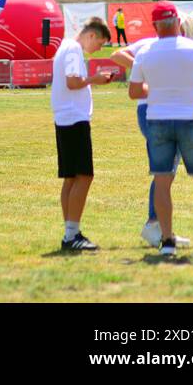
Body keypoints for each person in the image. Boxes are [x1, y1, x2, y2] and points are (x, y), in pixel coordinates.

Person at [128, 1, 193, 256]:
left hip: (158, 119)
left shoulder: (145, 51)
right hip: (191, 118)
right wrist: (192, 89)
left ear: (155, 25)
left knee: (162, 182)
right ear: (178, 24)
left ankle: (167, 241)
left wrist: (158, 90)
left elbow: (135, 92)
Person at [109, 12, 190, 249]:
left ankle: (160, 227)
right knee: (165, 169)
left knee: (168, 169)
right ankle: (153, 224)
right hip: (150, 110)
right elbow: (116, 54)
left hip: (169, 110)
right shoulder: (148, 44)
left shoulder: (181, 48)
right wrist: (145, 68)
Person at [51, 16, 114, 251]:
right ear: (91, 35)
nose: (97, 50)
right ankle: (72, 234)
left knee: (71, 178)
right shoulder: (74, 49)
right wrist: (95, 80)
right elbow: (73, 82)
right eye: (99, 44)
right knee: (84, 176)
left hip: (64, 118)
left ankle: (70, 232)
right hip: (74, 119)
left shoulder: (65, 47)